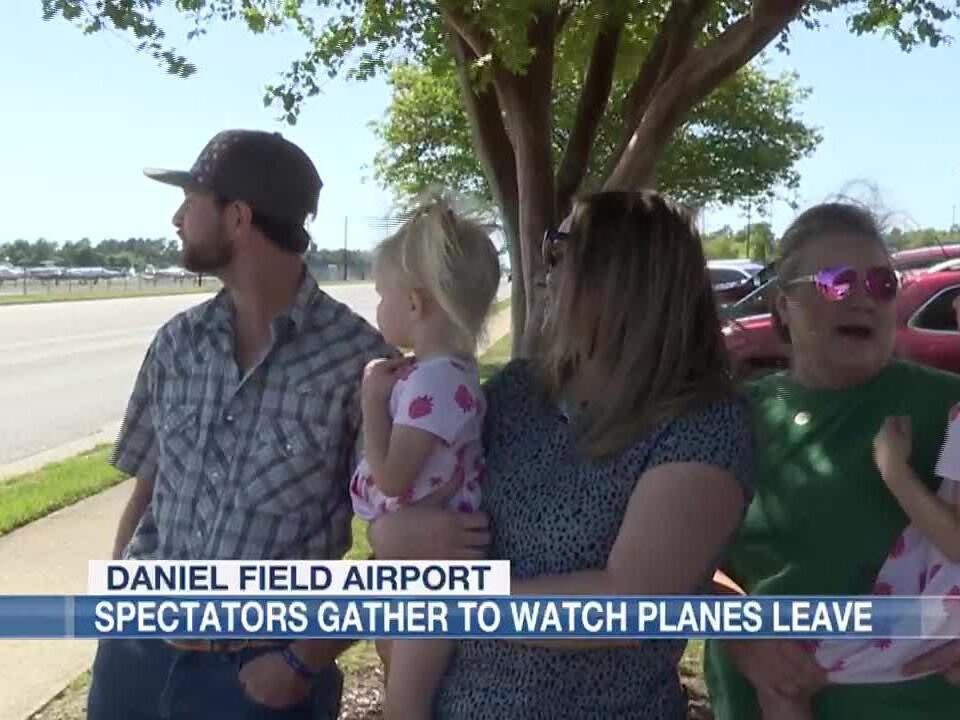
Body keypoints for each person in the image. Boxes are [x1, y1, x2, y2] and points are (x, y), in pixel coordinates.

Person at [367, 189, 754, 718]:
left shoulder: (700, 426)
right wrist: (390, 534)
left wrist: (463, 603)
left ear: (622, 276)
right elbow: (430, 506)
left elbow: (629, 605)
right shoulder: (517, 391)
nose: (543, 269)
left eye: (561, 248)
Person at [86, 129, 394, 719]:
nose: (177, 218)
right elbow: (148, 490)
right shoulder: (177, 343)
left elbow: (398, 544)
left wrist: (304, 660)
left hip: (262, 678)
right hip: (135, 662)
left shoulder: (362, 364)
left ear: (237, 217)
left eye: (191, 200)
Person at [704, 202, 960, 720]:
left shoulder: (948, 408)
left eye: (883, 285)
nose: (864, 300)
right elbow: (679, 568)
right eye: (837, 283)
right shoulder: (726, 421)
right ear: (781, 307)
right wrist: (740, 634)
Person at [349, 199, 500, 719]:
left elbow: (393, 479)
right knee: (398, 670)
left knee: (405, 703)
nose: (378, 308)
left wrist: (371, 400)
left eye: (381, 296)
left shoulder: (434, 383)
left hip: (429, 571)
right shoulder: (444, 371)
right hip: (419, 557)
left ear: (415, 305)